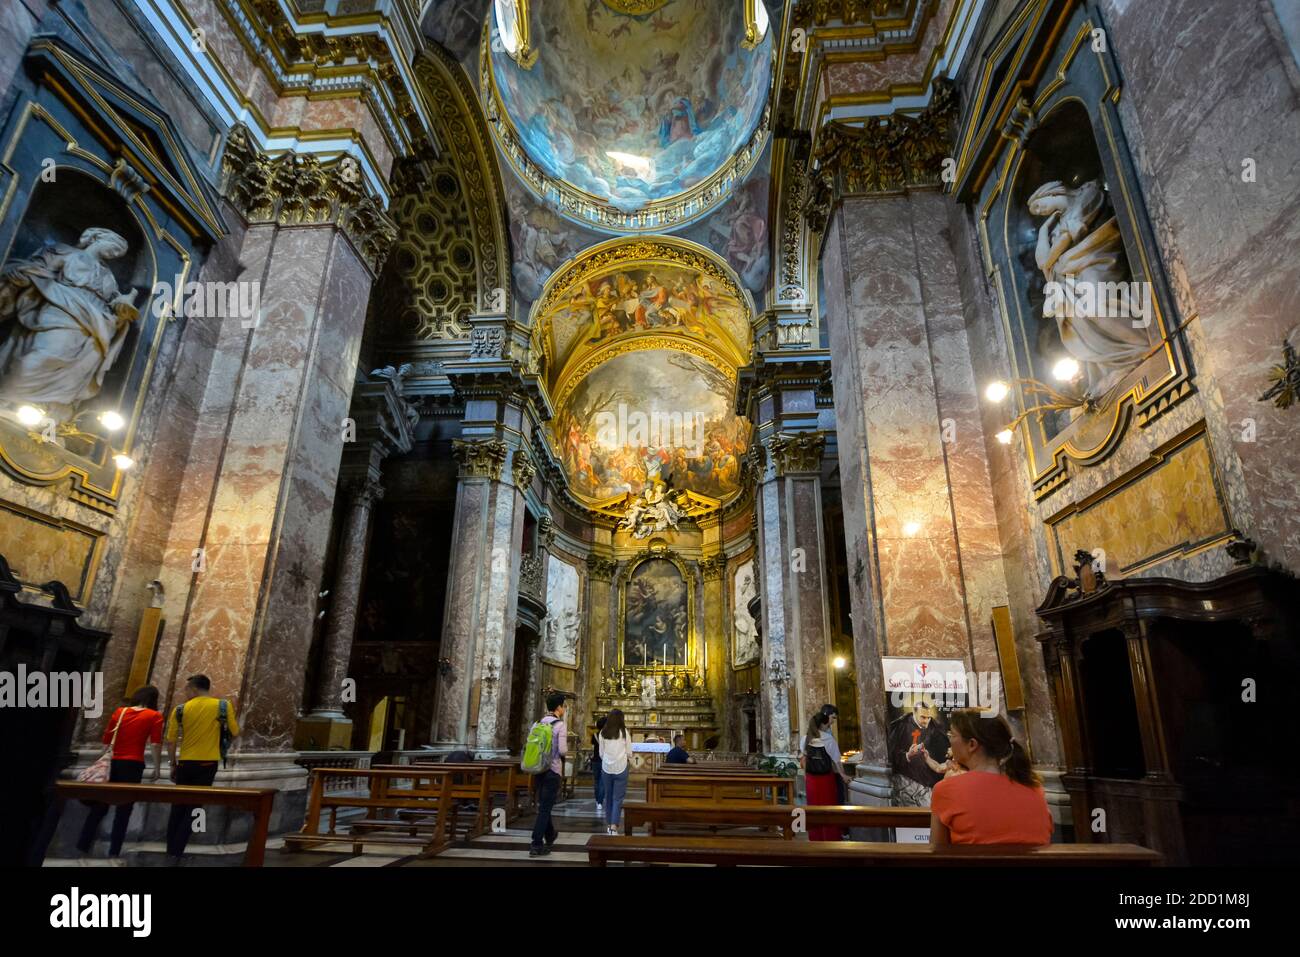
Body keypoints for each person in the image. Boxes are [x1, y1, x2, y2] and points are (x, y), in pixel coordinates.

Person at [930, 709, 1053, 846]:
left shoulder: (946, 790)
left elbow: (937, 851)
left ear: (972, 744)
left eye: (952, 735)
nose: (950, 740)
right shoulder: (1035, 788)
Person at [76, 685, 163, 857]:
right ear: (153, 700)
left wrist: (103, 761)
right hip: (133, 765)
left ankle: (83, 845)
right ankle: (114, 851)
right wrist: (157, 767)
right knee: (124, 809)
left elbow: (107, 739)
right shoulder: (154, 716)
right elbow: (155, 743)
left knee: (99, 806)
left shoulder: (120, 712)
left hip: (113, 761)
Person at [165, 674, 239, 863]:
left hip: (185, 763)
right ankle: (177, 850)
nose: (186, 693)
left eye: (186, 690)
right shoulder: (223, 706)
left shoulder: (180, 709)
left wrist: (172, 764)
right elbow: (235, 731)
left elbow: (171, 741)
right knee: (195, 807)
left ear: (194, 689)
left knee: (178, 806)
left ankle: (171, 849)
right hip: (207, 763)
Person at [529, 691, 567, 857]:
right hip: (553, 770)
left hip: (538, 769)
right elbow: (563, 750)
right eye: (563, 706)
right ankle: (536, 843)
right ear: (558, 707)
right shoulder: (559, 725)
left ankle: (550, 835)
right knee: (545, 808)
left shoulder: (537, 723)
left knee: (544, 804)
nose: (564, 709)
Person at [799, 712, 842, 841]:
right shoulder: (829, 739)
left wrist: (805, 776)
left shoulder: (805, 739)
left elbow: (804, 760)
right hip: (826, 778)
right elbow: (837, 761)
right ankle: (831, 837)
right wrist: (844, 775)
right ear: (824, 724)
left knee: (813, 807)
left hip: (811, 778)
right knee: (828, 807)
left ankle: (815, 837)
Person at [597, 708, 632, 836]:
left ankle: (608, 825)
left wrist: (608, 760)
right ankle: (614, 826)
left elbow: (601, 753)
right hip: (621, 767)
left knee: (608, 797)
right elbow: (629, 752)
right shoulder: (624, 732)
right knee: (618, 798)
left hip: (606, 768)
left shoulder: (603, 732)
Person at [591, 715, 607, 814]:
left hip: (595, 759)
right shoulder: (607, 735)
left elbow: (593, 745)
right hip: (604, 760)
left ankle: (597, 800)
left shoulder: (595, 735)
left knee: (596, 781)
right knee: (602, 782)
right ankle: (600, 802)